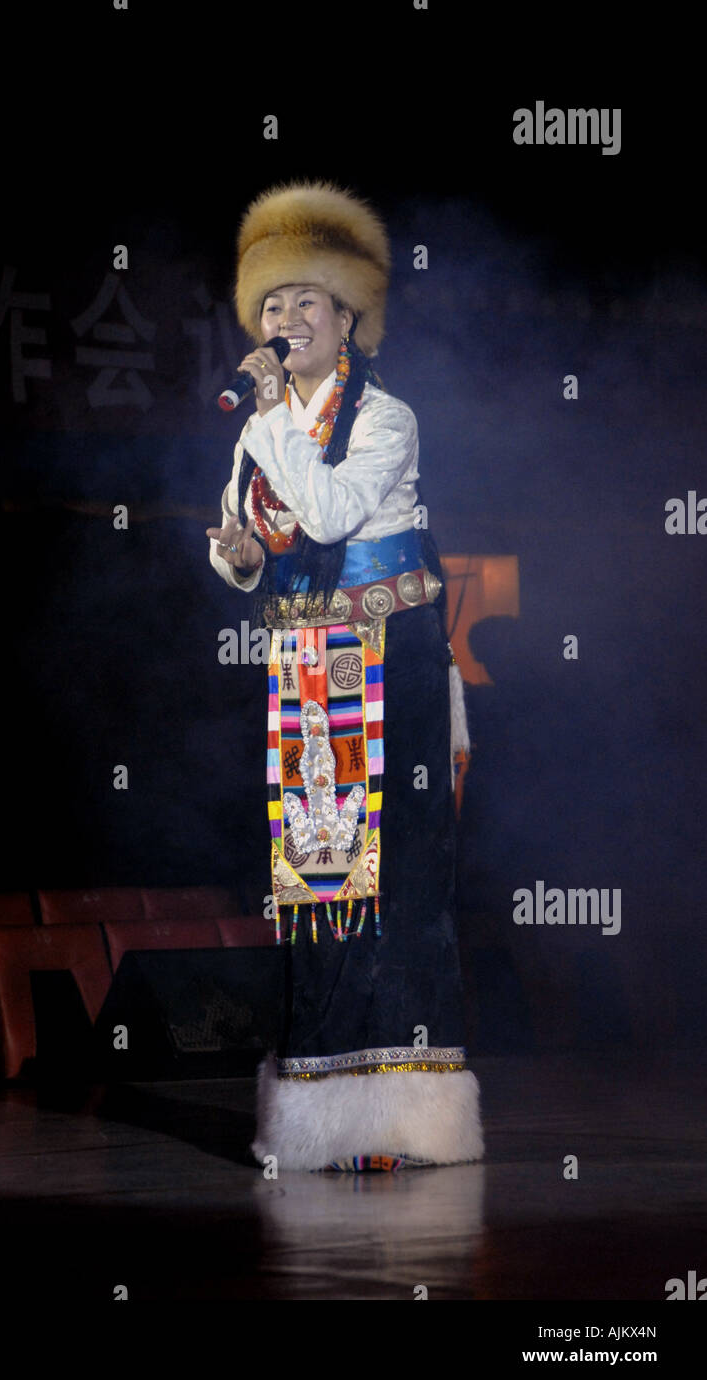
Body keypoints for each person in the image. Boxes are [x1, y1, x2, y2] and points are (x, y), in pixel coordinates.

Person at [207, 181, 484, 1172]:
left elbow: (325, 516)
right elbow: (253, 546)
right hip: (307, 657)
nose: (285, 323)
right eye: (271, 308)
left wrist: (274, 420)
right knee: (323, 888)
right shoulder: (261, 429)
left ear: (349, 318)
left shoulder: (388, 419)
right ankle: (322, 1116)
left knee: (400, 881)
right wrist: (237, 551)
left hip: (391, 650)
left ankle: (409, 1119)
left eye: (304, 304)